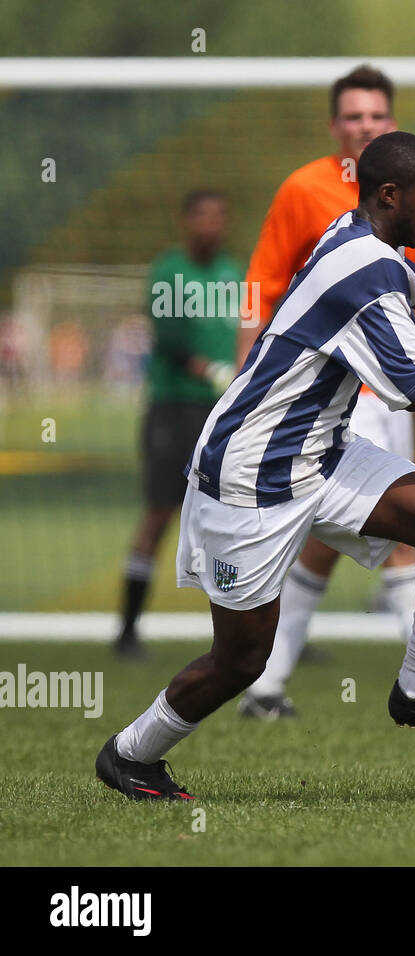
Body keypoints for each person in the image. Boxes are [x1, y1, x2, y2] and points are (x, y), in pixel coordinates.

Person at [95, 131, 415, 800]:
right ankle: (130, 754)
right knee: (241, 658)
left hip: (321, 453)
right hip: (251, 475)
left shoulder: (362, 239)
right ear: (391, 195)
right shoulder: (362, 270)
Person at [235, 65, 415, 718]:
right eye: (353, 116)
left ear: (390, 124)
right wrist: (243, 383)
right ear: (334, 125)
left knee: (326, 542)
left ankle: (266, 686)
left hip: (387, 396)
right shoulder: (304, 189)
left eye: (376, 116)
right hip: (333, 401)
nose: (364, 126)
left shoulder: (411, 196)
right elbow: (261, 287)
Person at [114, 191, 242, 659]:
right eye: (203, 217)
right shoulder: (169, 271)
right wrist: (212, 371)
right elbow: (168, 340)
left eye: (219, 216)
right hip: (173, 410)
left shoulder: (234, 273)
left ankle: (250, 635)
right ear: (186, 222)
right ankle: (127, 630)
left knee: (235, 521)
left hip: (222, 415)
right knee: (159, 514)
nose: (212, 225)